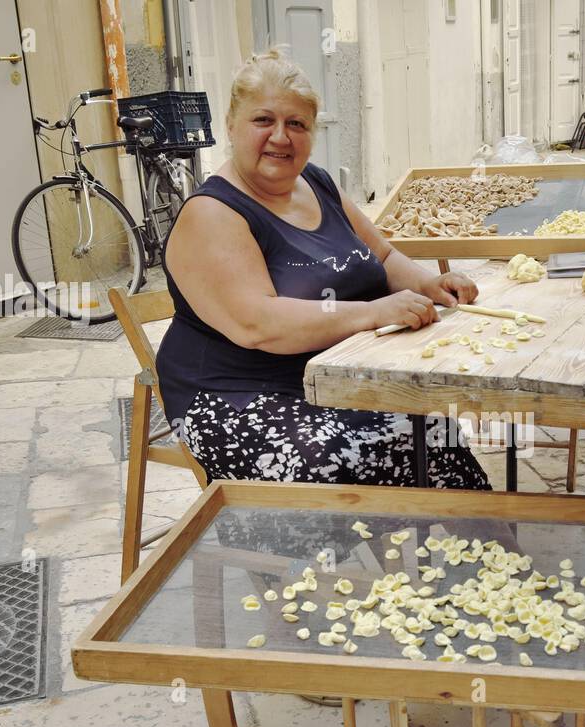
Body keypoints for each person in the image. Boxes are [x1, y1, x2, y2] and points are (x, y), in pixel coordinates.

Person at [157, 48, 490, 490]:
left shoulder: (316, 182)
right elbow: (258, 324)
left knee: (434, 433)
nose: (281, 137)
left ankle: (475, 554)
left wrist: (430, 283)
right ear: (231, 126)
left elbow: (385, 258)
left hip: (330, 378)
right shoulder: (213, 213)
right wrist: (373, 312)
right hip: (233, 395)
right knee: (341, 457)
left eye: (296, 124)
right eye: (264, 121)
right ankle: (346, 554)